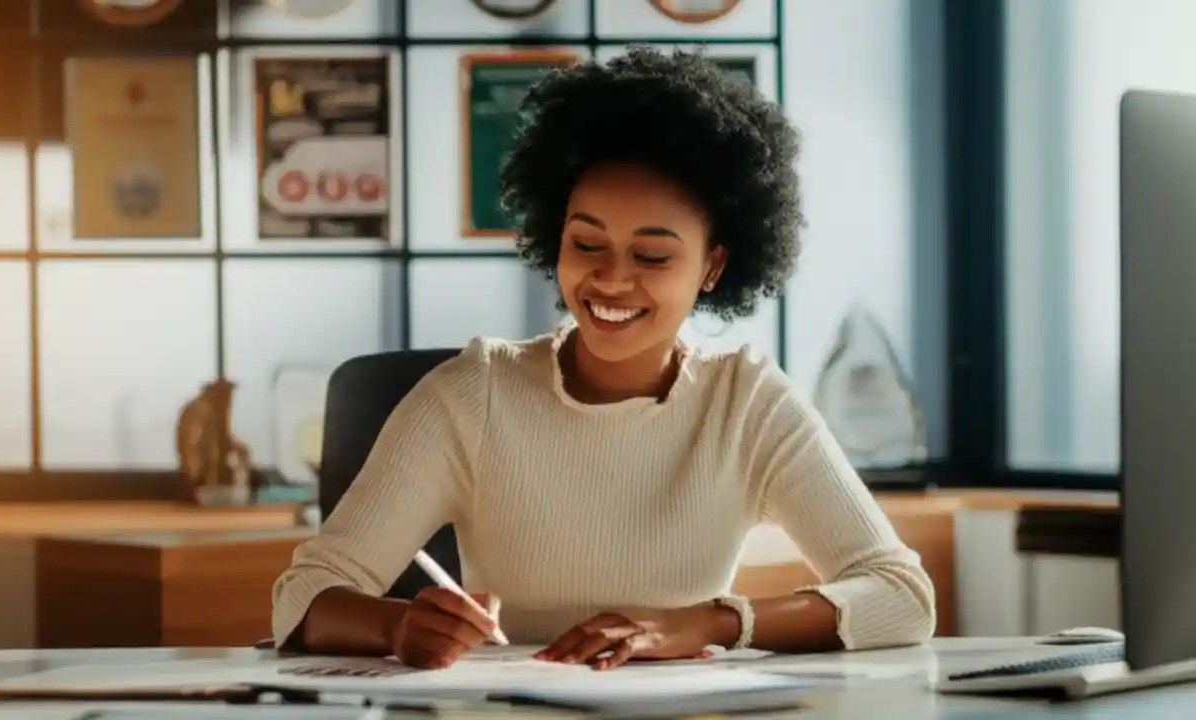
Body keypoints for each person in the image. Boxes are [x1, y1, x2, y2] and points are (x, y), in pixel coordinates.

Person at [270, 46, 935, 671]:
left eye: (652, 256)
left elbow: (901, 594)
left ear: (712, 265)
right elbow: (303, 595)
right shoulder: (475, 394)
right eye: (586, 245)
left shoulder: (747, 403)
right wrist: (395, 626)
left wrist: (710, 622)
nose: (611, 281)